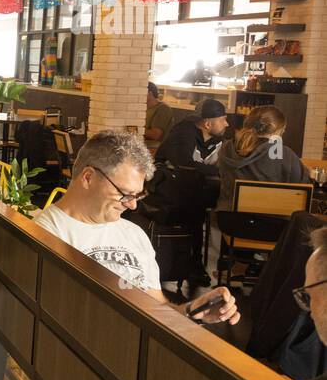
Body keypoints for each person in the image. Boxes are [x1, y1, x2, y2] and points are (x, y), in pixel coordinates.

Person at [35, 129, 238, 324]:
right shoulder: (47, 234)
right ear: (88, 177)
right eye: (125, 193)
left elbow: (156, 310)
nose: (132, 205)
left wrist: (191, 312)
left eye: (137, 195)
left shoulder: (134, 235)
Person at [216, 105, 309, 209]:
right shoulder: (284, 153)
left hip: (229, 217)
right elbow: (304, 187)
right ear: (275, 127)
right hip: (271, 220)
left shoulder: (227, 147)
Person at [155, 97, 227, 177]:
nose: (226, 124)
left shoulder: (217, 139)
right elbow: (185, 164)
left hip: (198, 185)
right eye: (222, 120)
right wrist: (220, 172)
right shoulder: (182, 134)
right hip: (170, 183)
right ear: (207, 124)